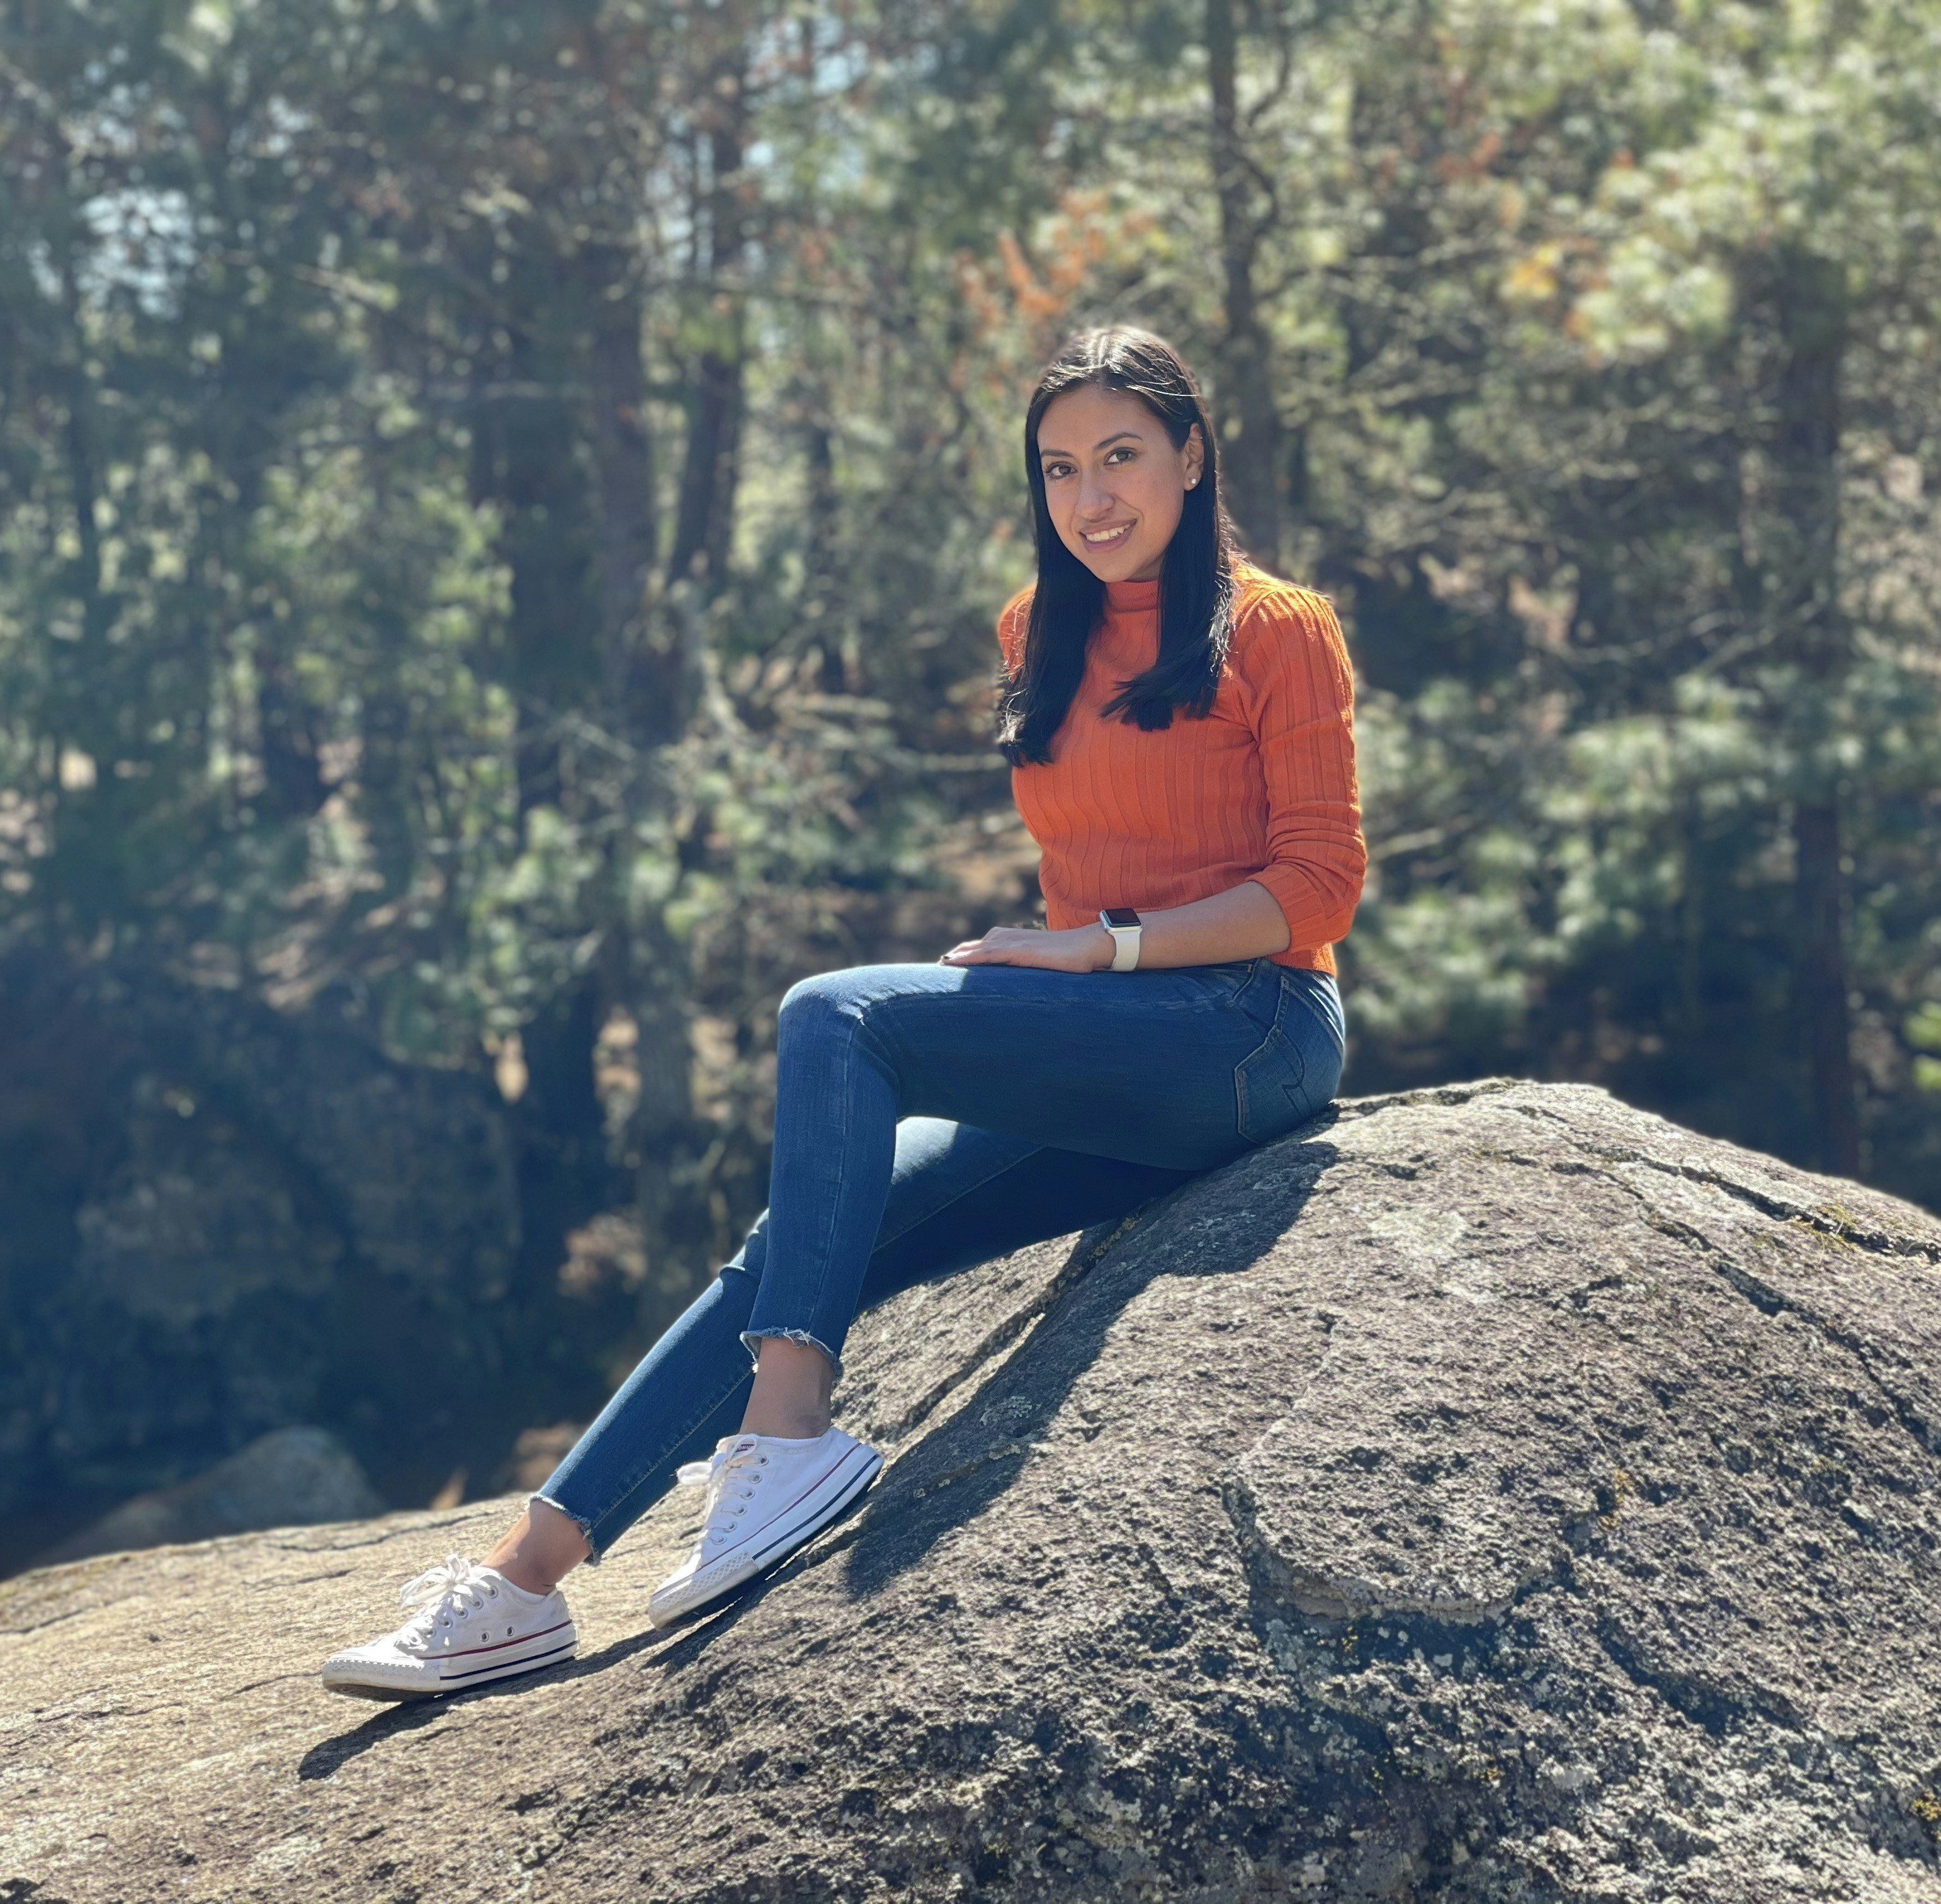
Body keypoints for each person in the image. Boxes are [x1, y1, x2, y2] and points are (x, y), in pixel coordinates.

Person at [320, 324, 1364, 1700]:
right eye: (1060, 468)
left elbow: (1319, 886)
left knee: (839, 1012)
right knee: (804, 1243)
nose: (1093, 497)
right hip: (1115, 1062)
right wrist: (1073, 967)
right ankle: (523, 1584)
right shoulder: (1034, 631)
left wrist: (1101, 953)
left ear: (1190, 454)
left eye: (1122, 456)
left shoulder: (1280, 629)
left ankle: (792, 1437)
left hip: (1251, 1034)